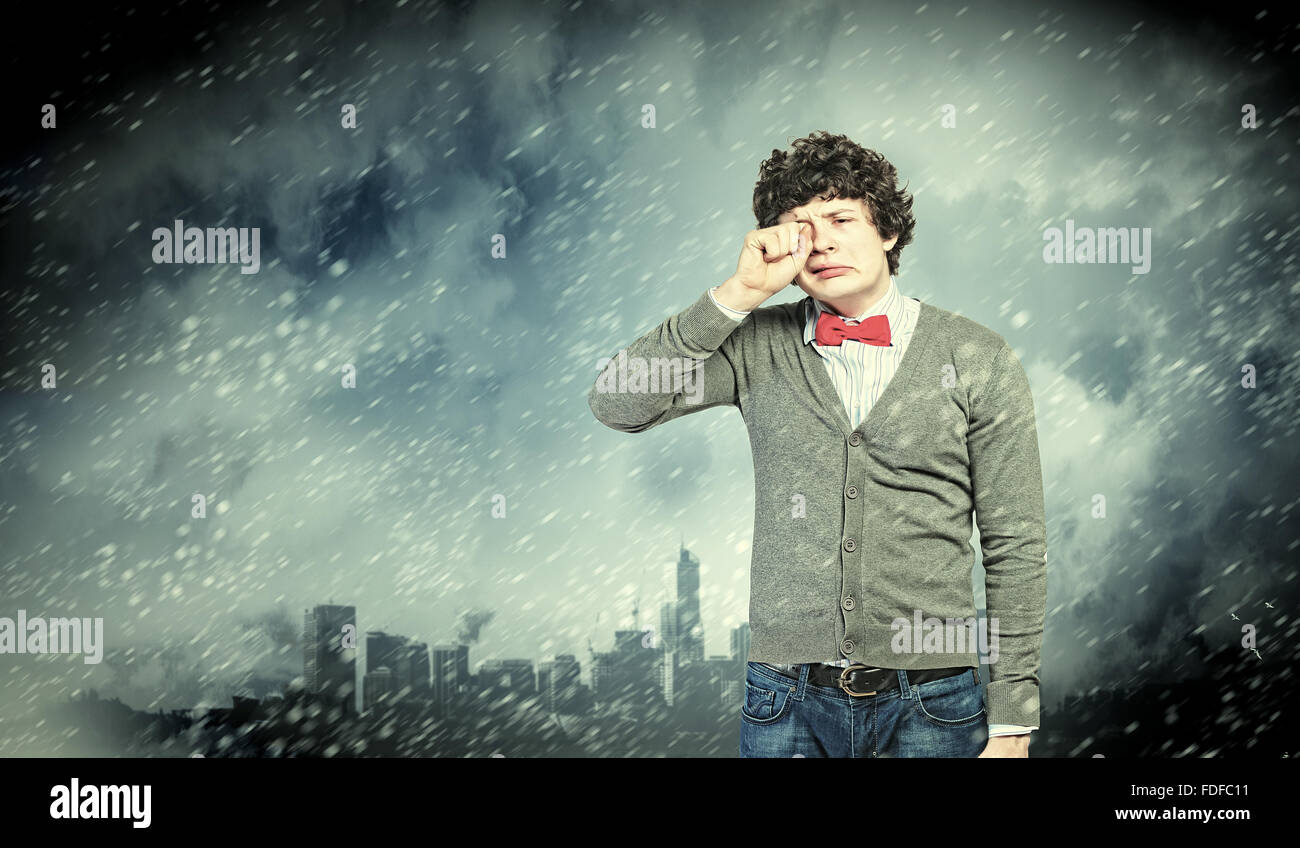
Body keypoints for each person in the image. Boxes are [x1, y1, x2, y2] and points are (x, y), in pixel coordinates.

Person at [588, 131, 1047, 758]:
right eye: (799, 228)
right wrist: (738, 295)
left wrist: (1013, 722)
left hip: (934, 701)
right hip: (784, 701)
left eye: (840, 217)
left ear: (887, 231)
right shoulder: (758, 343)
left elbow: (1015, 544)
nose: (821, 240)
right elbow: (618, 400)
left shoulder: (977, 355)